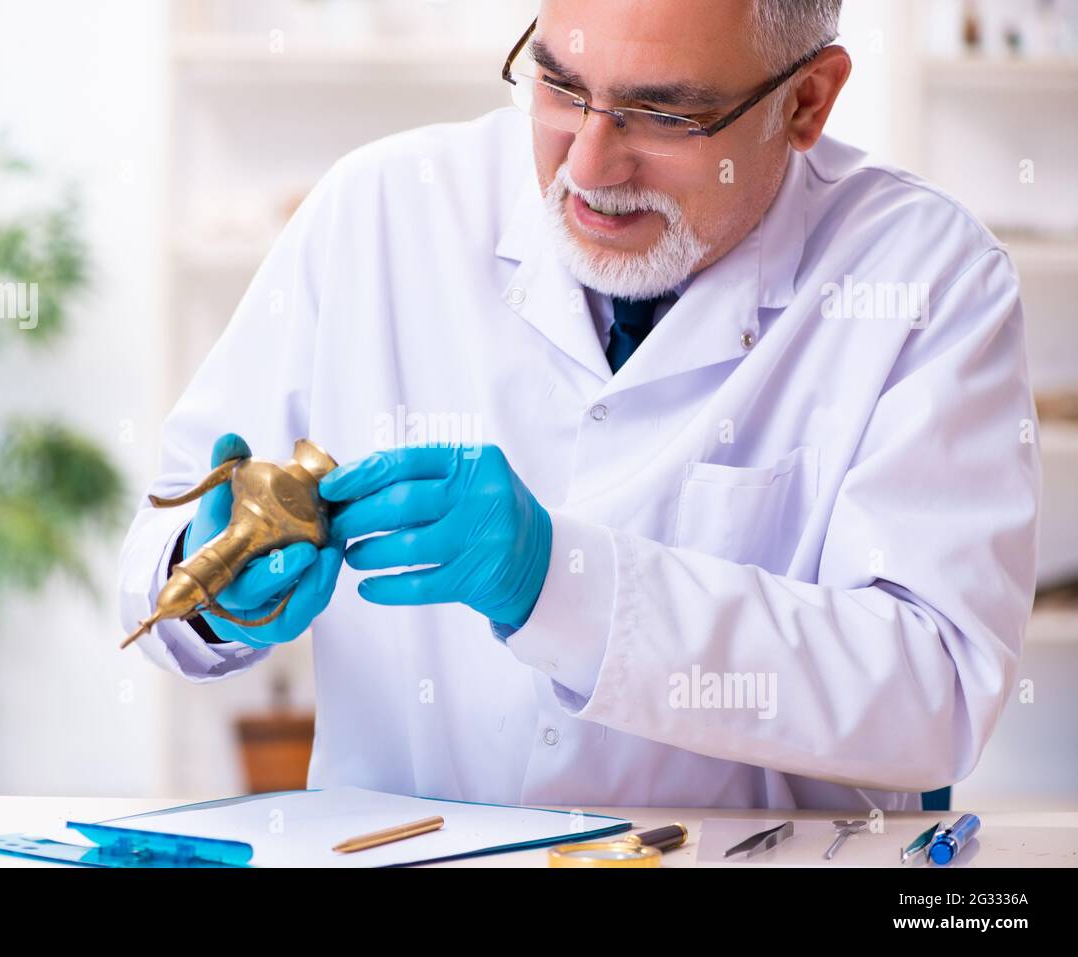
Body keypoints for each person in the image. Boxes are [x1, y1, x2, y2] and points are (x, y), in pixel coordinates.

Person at [119, 0, 1039, 809]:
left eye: (665, 113)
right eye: (560, 87)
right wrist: (211, 587)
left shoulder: (924, 278)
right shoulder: (382, 209)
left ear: (806, 103)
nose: (591, 166)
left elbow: (937, 690)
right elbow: (152, 566)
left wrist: (561, 582)